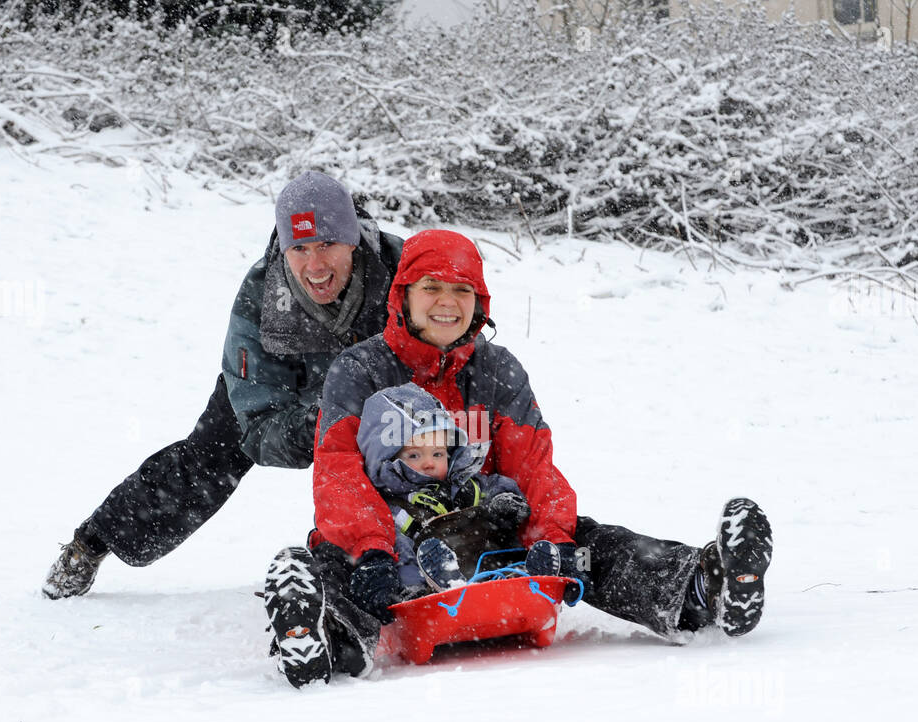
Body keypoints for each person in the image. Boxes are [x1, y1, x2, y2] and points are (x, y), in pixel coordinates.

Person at [263, 229, 773, 688]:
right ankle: (319, 634)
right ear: (404, 296)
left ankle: (703, 587)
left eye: (462, 291)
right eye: (432, 287)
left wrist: (552, 538)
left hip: (483, 527)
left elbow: (533, 467)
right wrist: (372, 548)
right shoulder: (361, 369)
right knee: (339, 562)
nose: (447, 302)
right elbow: (338, 473)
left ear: (479, 303)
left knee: (587, 541)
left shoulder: (497, 370)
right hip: (393, 535)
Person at [42, 172, 405, 598]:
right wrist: (327, 423)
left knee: (422, 447)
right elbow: (258, 429)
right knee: (207, 459)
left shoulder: (402, 268)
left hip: (385, 389)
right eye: (300, 249)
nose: (315, 265)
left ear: (352, 240)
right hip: (285, 394)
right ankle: (93, 542)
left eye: (327, 245)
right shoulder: (261, 294)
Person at [353, 382, 556, 595]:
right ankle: (445, 584)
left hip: (492, 571)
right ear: (387, 460)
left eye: (437, 453)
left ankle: (531, 575)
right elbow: (401, 554)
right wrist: (411, 588)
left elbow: (494, 485)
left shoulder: (464, 486)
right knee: (423, 555)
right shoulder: (396, 510)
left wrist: (505, 501)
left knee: (500, 541)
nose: (429, 463)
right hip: (437, 593)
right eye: (414, 455)